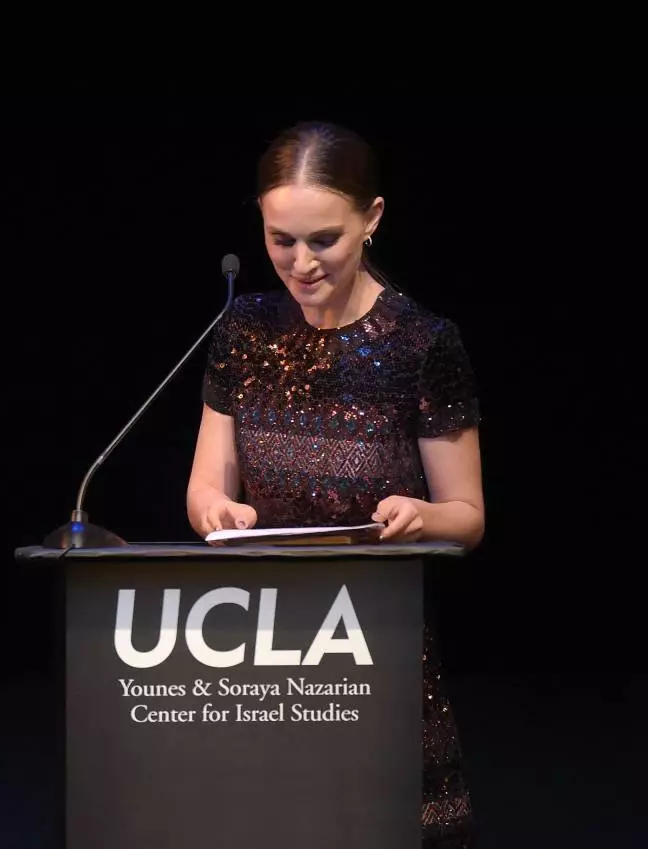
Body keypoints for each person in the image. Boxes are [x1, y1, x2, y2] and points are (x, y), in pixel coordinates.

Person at [187, 121, 482, 848]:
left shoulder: (422, 343)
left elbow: (468, 515)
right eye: (281, 239)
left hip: (373, 649)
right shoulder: (241, 329)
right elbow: (203, 492)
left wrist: (423, 515)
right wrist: (216, 509)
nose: (300, 261)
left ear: (371, 219)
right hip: (261, 649)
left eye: (324, 239)